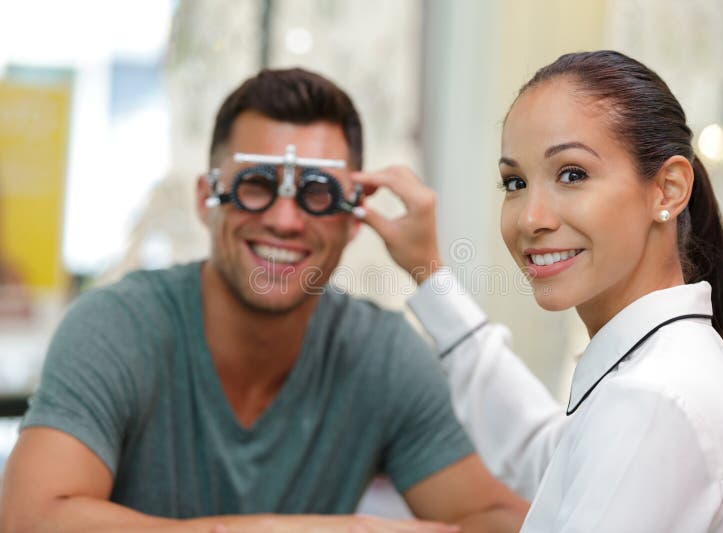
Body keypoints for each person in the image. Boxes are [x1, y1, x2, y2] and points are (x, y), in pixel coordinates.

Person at [0, 68, 529, 532]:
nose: (283, 219)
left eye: (317, 192)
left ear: (353, 219)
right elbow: (32, 520)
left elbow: (500, 520)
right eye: (256, 184)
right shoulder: (115, 329)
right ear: (205, 201)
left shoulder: (379, 355)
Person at [354, 51, 723, 532]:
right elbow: (546, 453)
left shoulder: (654, 399)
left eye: (572, 174)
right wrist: (427, 272)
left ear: (667, 189)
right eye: (514, 182)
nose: (532, 218)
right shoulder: (656, 377)